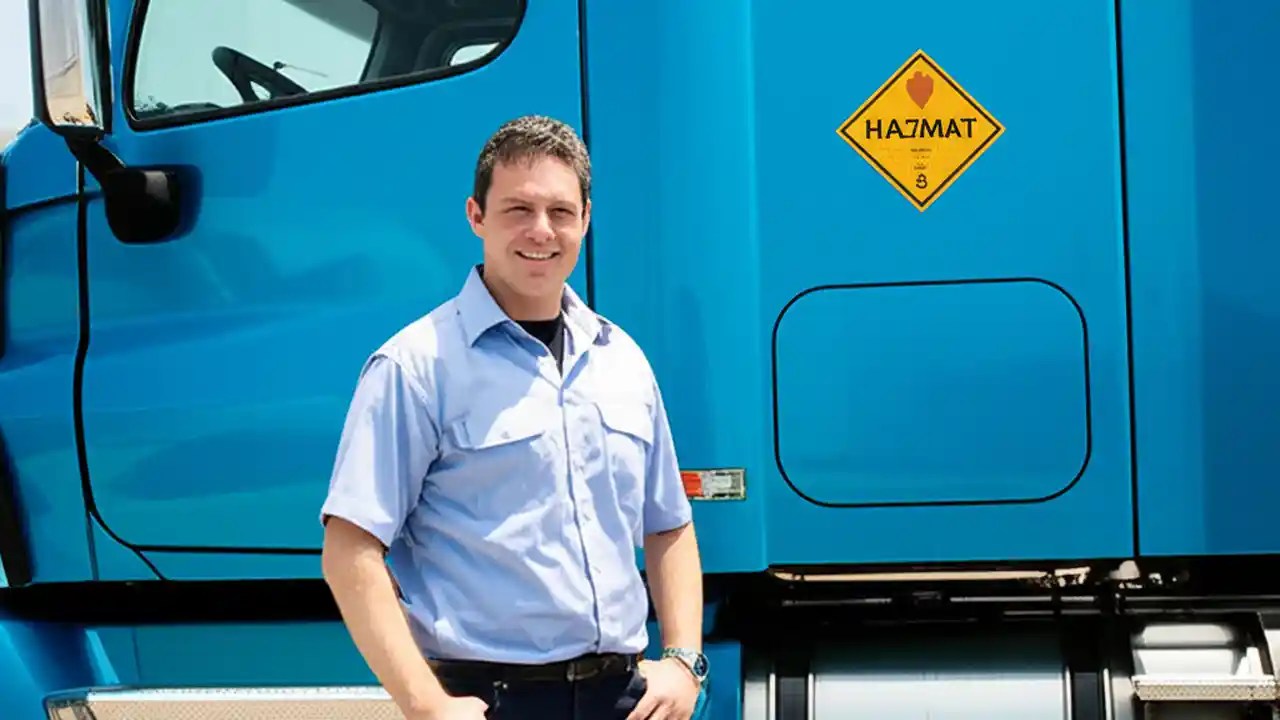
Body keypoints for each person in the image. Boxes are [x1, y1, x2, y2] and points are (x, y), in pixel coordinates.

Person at [318, 115, 707, 720]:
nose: (541, 230)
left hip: (622, 699)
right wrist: (426, 704)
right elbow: (349, 549)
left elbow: (669, 526)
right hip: (492, 701)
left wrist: (684, 660)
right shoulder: (416, 366)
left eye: (561, 211)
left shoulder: (621, 360)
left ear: (586, 220)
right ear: (476, 216)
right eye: (518, 209)